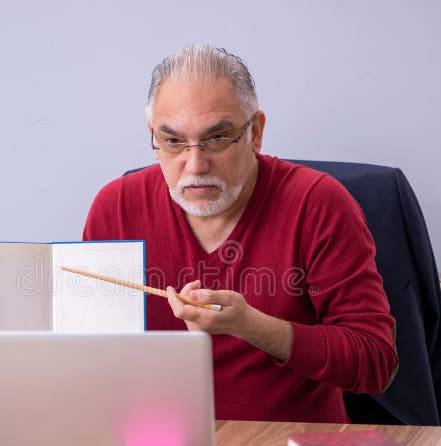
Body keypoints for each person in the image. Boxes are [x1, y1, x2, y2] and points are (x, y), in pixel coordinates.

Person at [83, 45, 397, 423]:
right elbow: (88, 361)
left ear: (256, 133)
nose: (195, 165)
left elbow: (375, 363)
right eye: (173, 141)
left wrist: (250, 325)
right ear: (153, 137)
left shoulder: (319, 204)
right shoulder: (115, 207)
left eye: (217, 139)